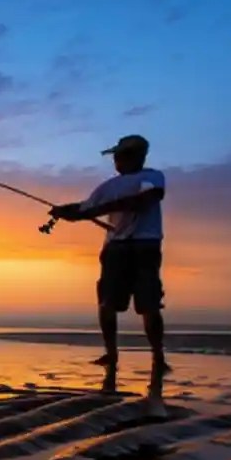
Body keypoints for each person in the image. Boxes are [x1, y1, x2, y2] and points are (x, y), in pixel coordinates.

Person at [50, 134, 169, 373]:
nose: (116, 160)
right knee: (107, 302)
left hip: (145, 245)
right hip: (115, 247)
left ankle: (158, 357)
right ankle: (111, 354)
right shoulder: (107, 187)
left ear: (134, 156)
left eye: (119, 155)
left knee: (149, 304)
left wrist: (93, 211)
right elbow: (84, 207)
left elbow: (147, 199)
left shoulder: (152, 177)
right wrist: (65, 211)